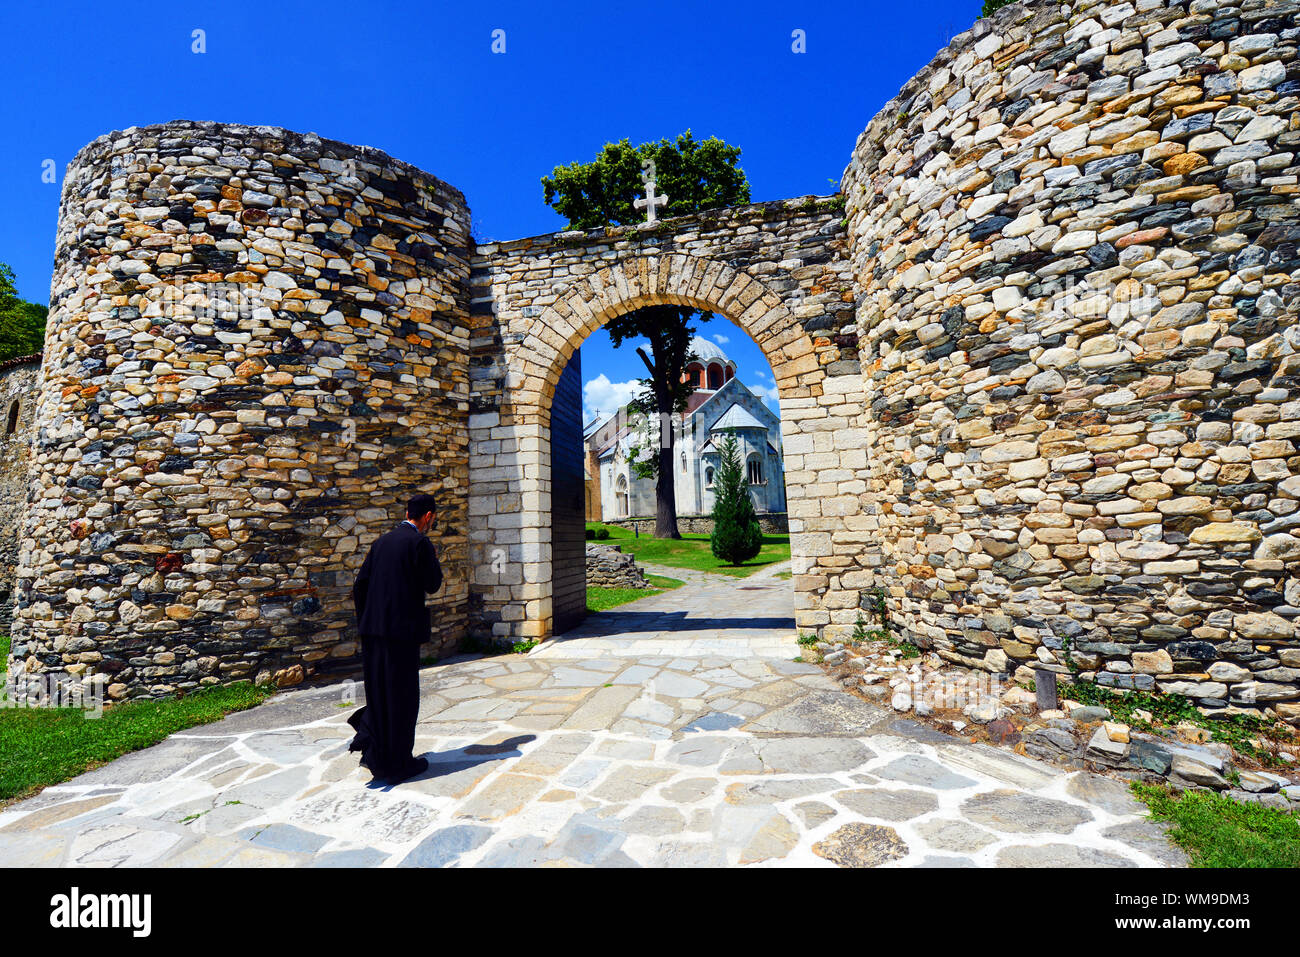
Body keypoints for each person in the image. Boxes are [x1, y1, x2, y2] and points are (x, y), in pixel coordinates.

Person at [347, 493, 443, 783]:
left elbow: (359, 586)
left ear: (406, 512)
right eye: (433, 518)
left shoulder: (380, 543)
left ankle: (376, 753)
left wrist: (368, 621)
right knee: (401, 697)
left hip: (373, 632)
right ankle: (398, 764)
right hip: (401, 635)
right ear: (427, 516)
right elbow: (433, 584)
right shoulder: (419, 544)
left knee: (379, 693)